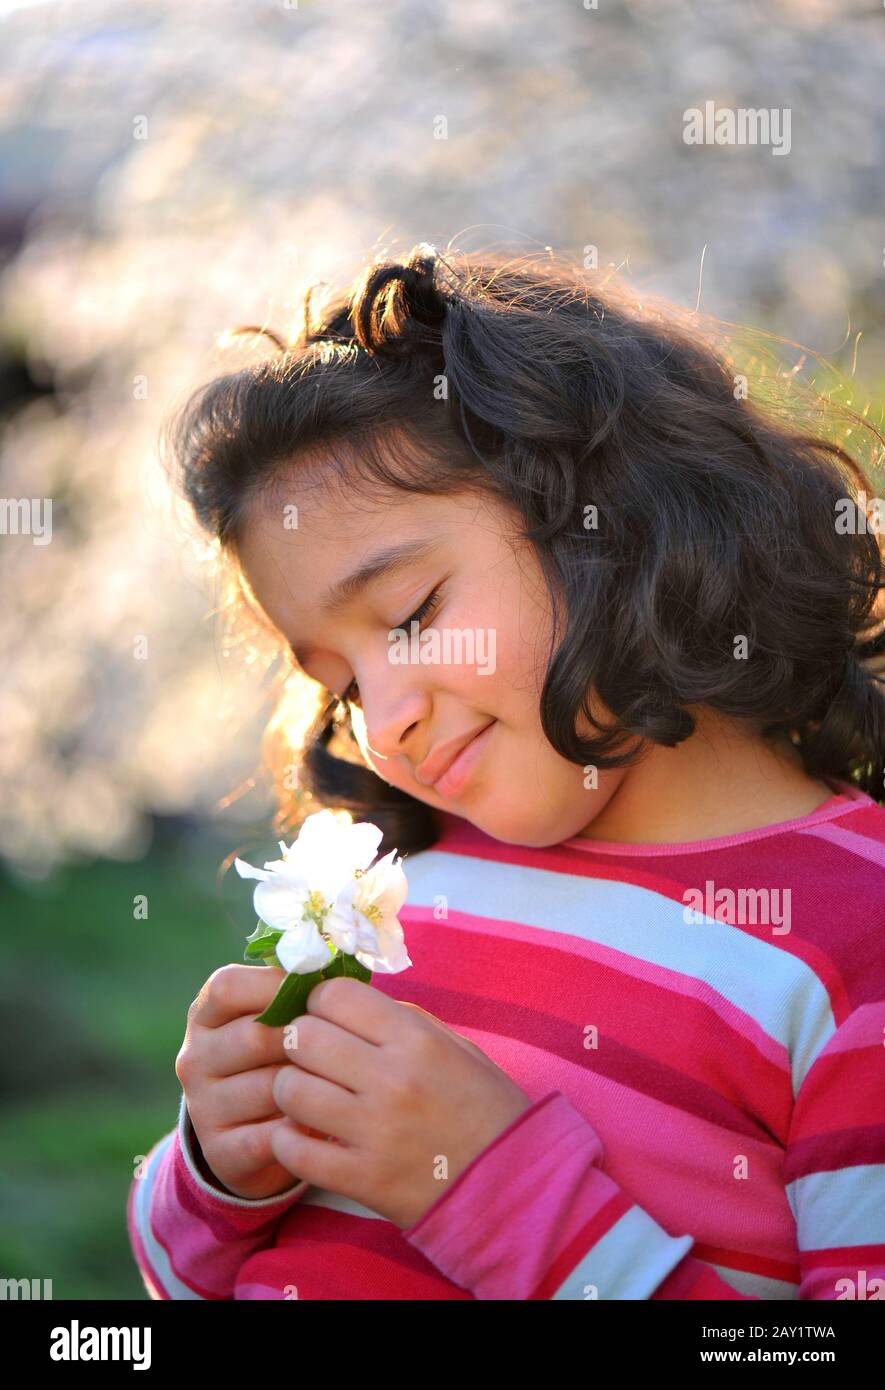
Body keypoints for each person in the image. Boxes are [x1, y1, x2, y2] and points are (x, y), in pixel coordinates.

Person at [127, 242, 885, 1299]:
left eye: (410, 616)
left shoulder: (858, 939)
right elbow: (179, 1277)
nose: (385, 723)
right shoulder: (397, 891)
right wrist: (216, 1165)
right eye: (341, 683)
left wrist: (489, 1189)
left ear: (616, 513)